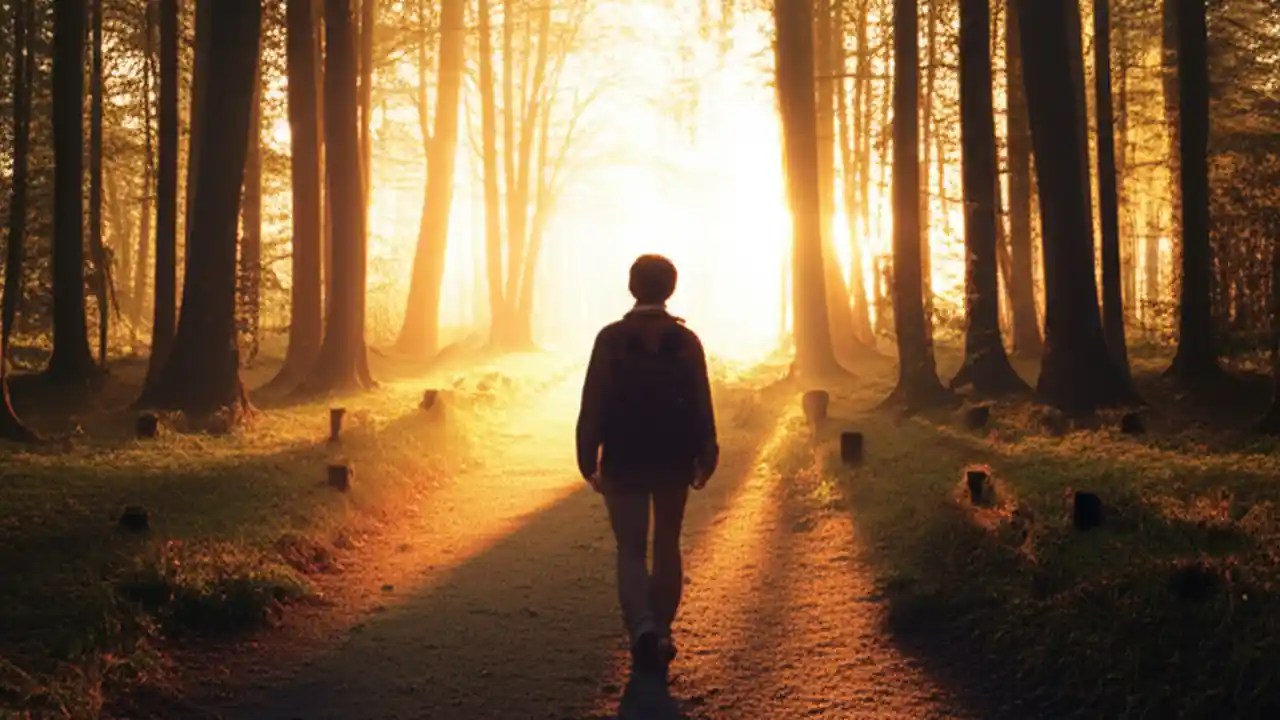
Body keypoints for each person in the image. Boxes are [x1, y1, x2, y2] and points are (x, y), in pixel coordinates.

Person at [576, 254, 719, 676]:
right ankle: (663, 632)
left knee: (631, 549)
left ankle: (641, 627)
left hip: (624, 455)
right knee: (668, 544)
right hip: (673, 456)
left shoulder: (610, 338)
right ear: (670, 289)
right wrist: (706, 453)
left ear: (631, 286)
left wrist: (588, 459)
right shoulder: (686, 341)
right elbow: (700, 401)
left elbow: (593, 401)